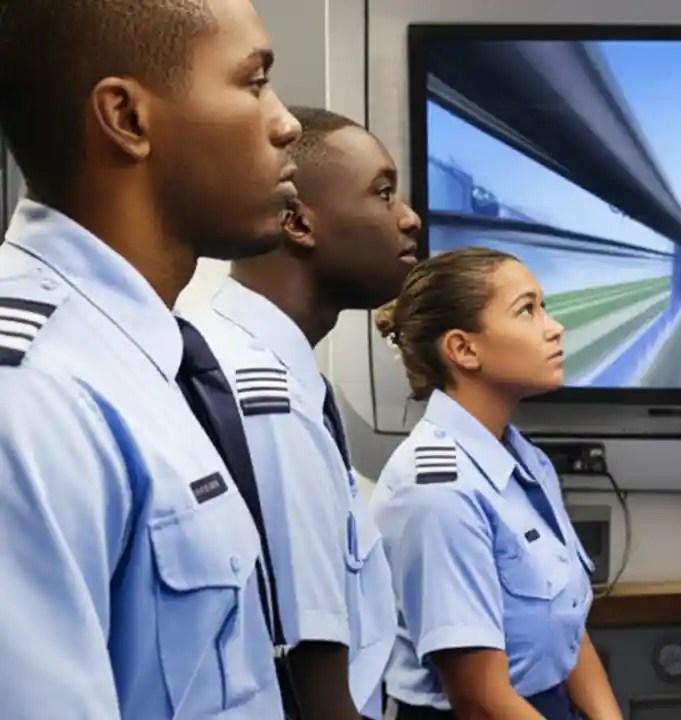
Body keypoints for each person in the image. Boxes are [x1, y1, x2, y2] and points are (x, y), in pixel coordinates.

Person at [0, 0, 300, 718]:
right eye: (255, 81)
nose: (287, 122)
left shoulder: (136, 357)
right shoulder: (34, 398)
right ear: (127, 119)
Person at [183, 105, 419, 719]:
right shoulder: (264, 398)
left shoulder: (265, 365)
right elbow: (311, 675)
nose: (409, 218)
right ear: (298, 223)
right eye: (383, 193)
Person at [369, 247, 622, 720]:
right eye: (527, 310)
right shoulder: (437, 492)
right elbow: (480, 700)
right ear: (463, 349)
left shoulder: (524, 459)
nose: (554, 326)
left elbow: (566, 634)